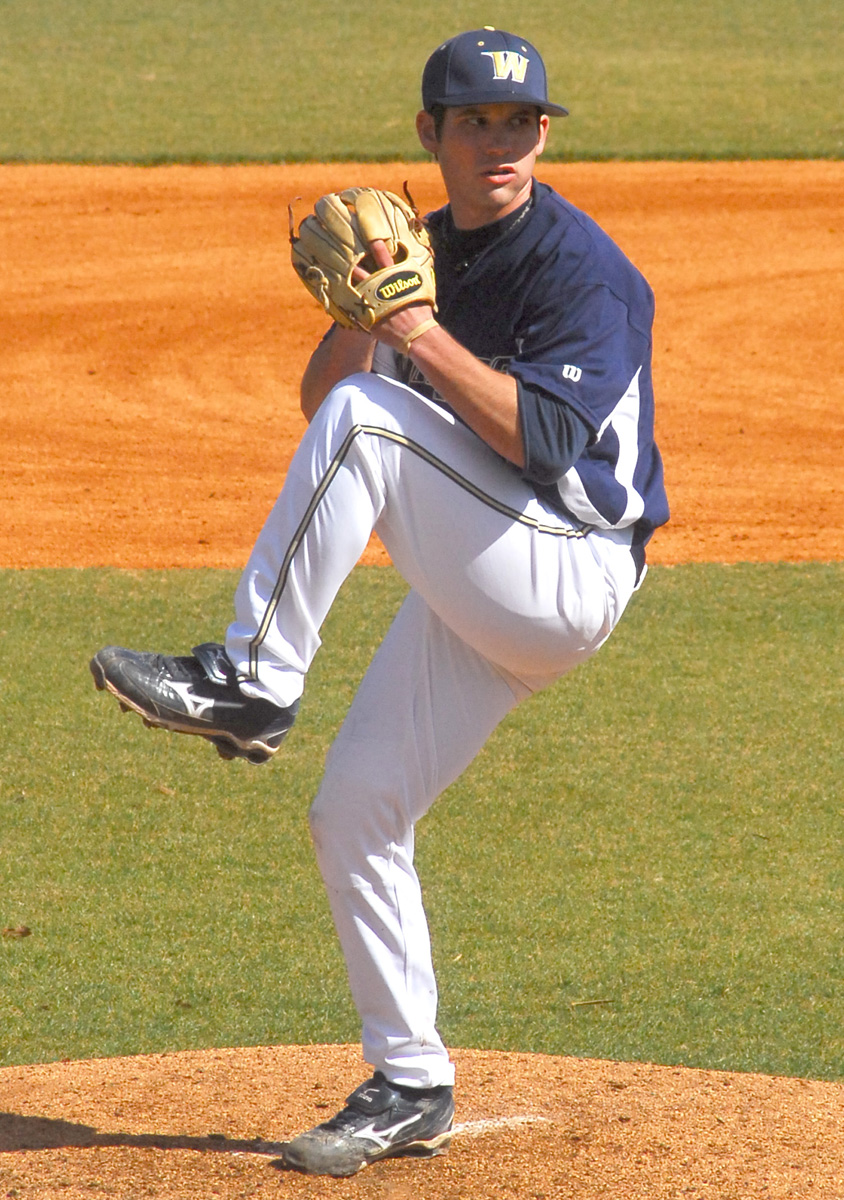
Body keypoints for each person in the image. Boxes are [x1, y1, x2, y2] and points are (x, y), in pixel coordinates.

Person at [90, 27, 668, 1178]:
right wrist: (366, 312)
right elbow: (321, 397)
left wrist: (414, 331)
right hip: (484, 583)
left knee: (375, 423)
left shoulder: (582, 270)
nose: (499, 142)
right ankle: (409, 1079)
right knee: (353, 809)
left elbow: (547, 443)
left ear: (542, 134)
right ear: (431, 135)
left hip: (566, 569)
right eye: (475, 122)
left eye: (520, 123)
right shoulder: (417, 249)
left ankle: (252, 678)